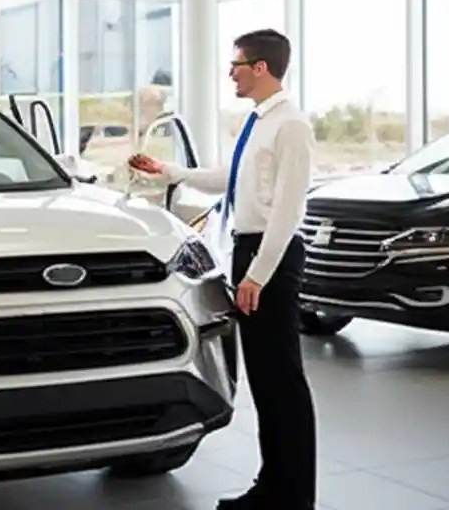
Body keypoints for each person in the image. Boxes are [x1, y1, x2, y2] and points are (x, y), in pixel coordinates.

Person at [129, 28, 317, 510]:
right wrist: (168, 172)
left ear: (260, 68)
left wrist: (258, 274)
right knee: (266, 381)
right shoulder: (258, 121)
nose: (229, 73)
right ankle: (273, 488)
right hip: (249, 250)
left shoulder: (291, 125)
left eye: (236, 65)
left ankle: (292, 496)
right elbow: (231, 180)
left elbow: (288, 212)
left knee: (283, 381)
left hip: (269, 256)